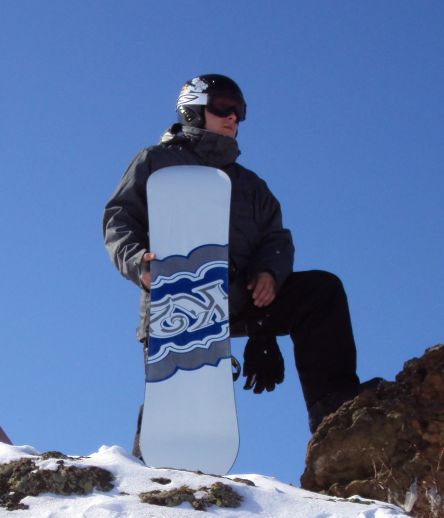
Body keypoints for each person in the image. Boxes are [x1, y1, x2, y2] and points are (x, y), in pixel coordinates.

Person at [103, 74, 380, 451]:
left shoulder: (251, 186)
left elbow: (276, 238)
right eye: (223, 106)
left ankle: (334, 408)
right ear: (193, 110)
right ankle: (151, 463)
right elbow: (119, 219)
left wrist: (270, 274)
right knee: (182, 411)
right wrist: (140, 263)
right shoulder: (156, 161)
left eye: (239, 110)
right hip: (180, 295)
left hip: (241, 297)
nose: (233, 117)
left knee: (321, 291)